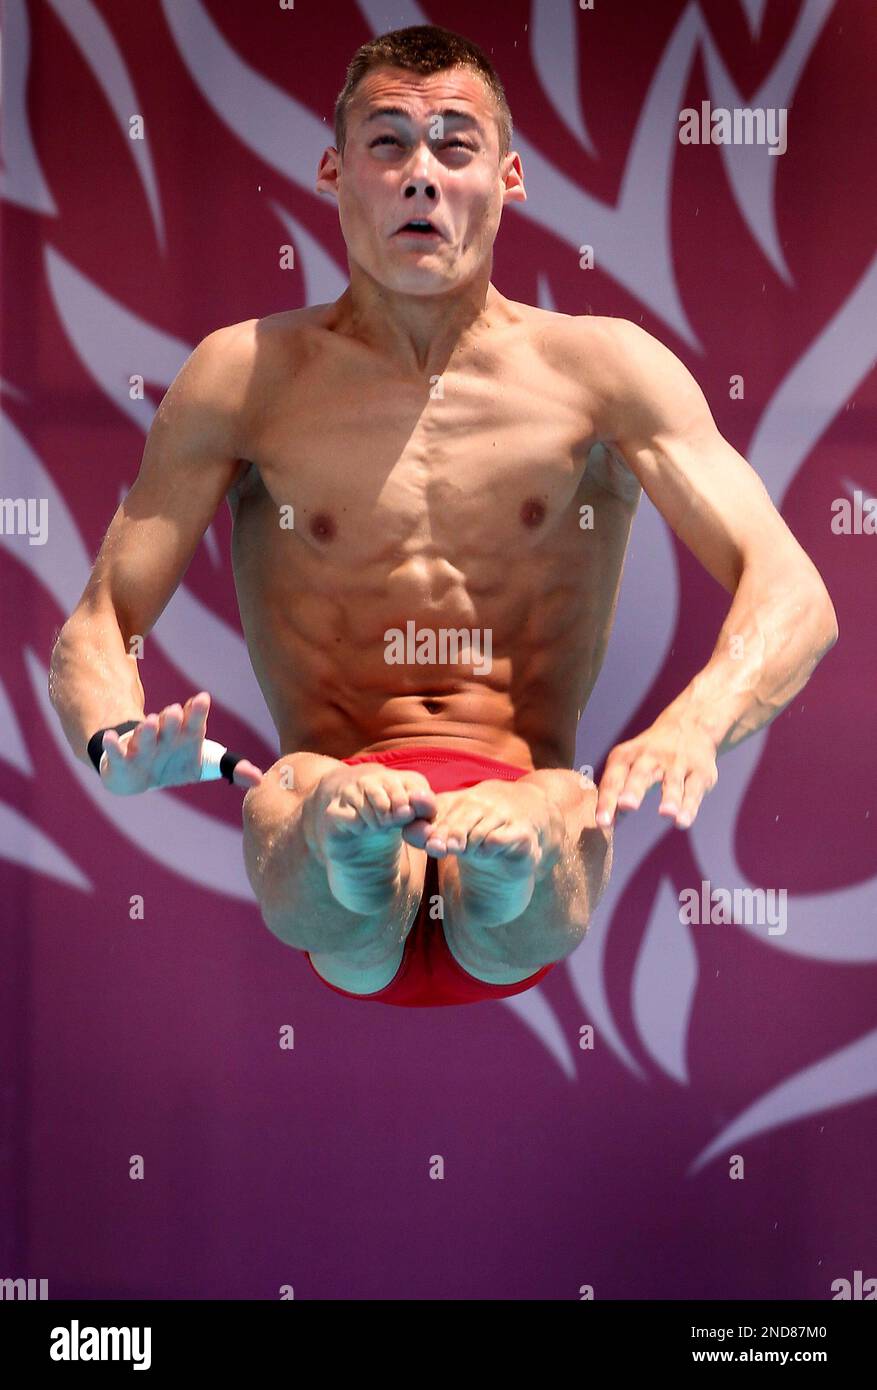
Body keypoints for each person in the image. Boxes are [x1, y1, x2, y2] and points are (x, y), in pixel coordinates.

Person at [48, 25, 838, 1007]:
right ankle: (360, 856)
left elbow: (795, 591)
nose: (420, 176)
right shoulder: (244, 376)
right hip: (326, 831)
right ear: (334, 172)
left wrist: (694, 725)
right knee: (290, 794)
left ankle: (483, 866)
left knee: (550, 810)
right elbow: (100, 621)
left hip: (524, 817)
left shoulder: (602, 369)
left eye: (453, 146)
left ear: (508, 177)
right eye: (387, 144)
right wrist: (110, 745)